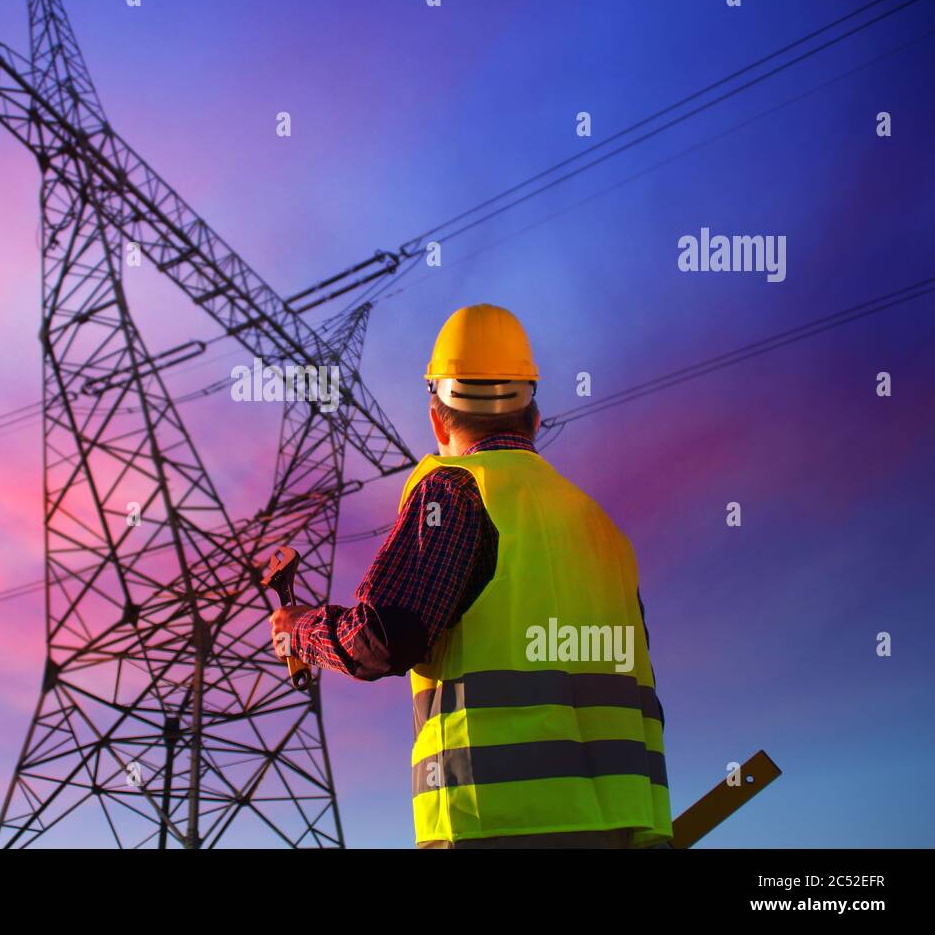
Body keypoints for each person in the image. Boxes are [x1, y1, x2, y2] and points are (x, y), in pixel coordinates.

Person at [270, 304, 672, 849]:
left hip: (495, 823)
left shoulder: (456, 490)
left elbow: (384, 637)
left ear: (437, 418)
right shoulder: (603, 530)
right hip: (627, 827)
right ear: (533, 417)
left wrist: (299, 630)